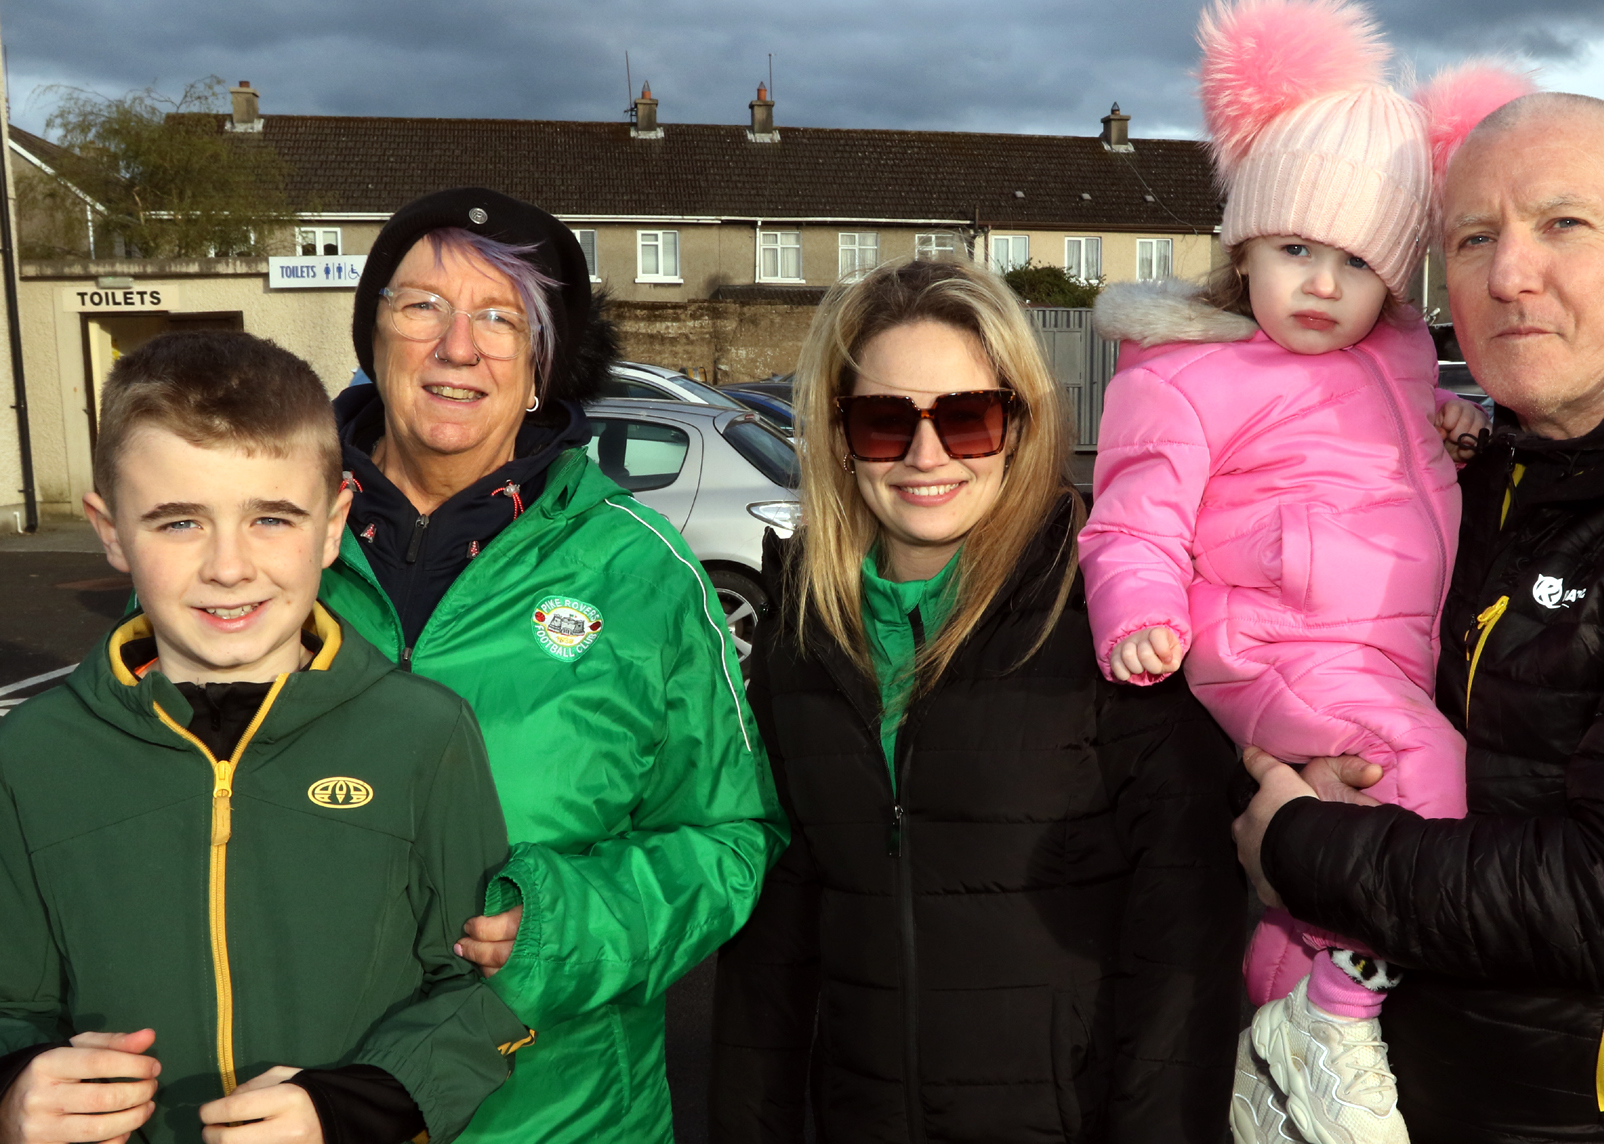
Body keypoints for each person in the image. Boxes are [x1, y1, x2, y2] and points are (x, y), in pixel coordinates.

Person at [1233, 93, 1604, 1144]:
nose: (1508, 276)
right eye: (1473, 237)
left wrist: (1303, 846)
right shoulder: (1481, 476)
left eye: (1563, 224)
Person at [1077, 0, 1518, 1144]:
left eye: (1358, 262)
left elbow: (1394, 481)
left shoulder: (1403, 360)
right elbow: (1132, 514)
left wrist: (1457, 444)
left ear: (1397, 273)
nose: (1322, 285)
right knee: (1435, 780)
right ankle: (1332, 1014)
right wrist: (1137, 611)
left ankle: (1275, 1041)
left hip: (1374, 649)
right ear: (1242, 245)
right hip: (1263, 642)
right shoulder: (1186, 374)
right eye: (1293, 249)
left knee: (1345, 846)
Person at [708, 258, 1247, 1143]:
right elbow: (771, 952)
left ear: (1019, 424)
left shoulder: (1114, 620)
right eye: (884, 420)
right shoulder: (803, 636)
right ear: (838, 433)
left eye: (967, 417)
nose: (928, 456)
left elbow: (1185, 939)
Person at [316, 187, 786, 1144]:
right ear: (372, 336)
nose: (459, 346)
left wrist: (571, 925)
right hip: (292, 1102)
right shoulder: (257, 542)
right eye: (422, 307)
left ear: (541, 366)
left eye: (501, 317)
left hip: (564, 1114)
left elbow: (733, 838)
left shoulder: (642, 572)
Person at [0, 332, 529, 1144]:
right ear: (110, 531)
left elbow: (483, 986)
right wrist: (12, 1095)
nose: (229, 567)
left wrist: (354, 1105)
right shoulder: (31, 757)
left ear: (332, 524)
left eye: (272, 519)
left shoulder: (424, 733)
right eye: (178, 522)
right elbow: (11, 1005)